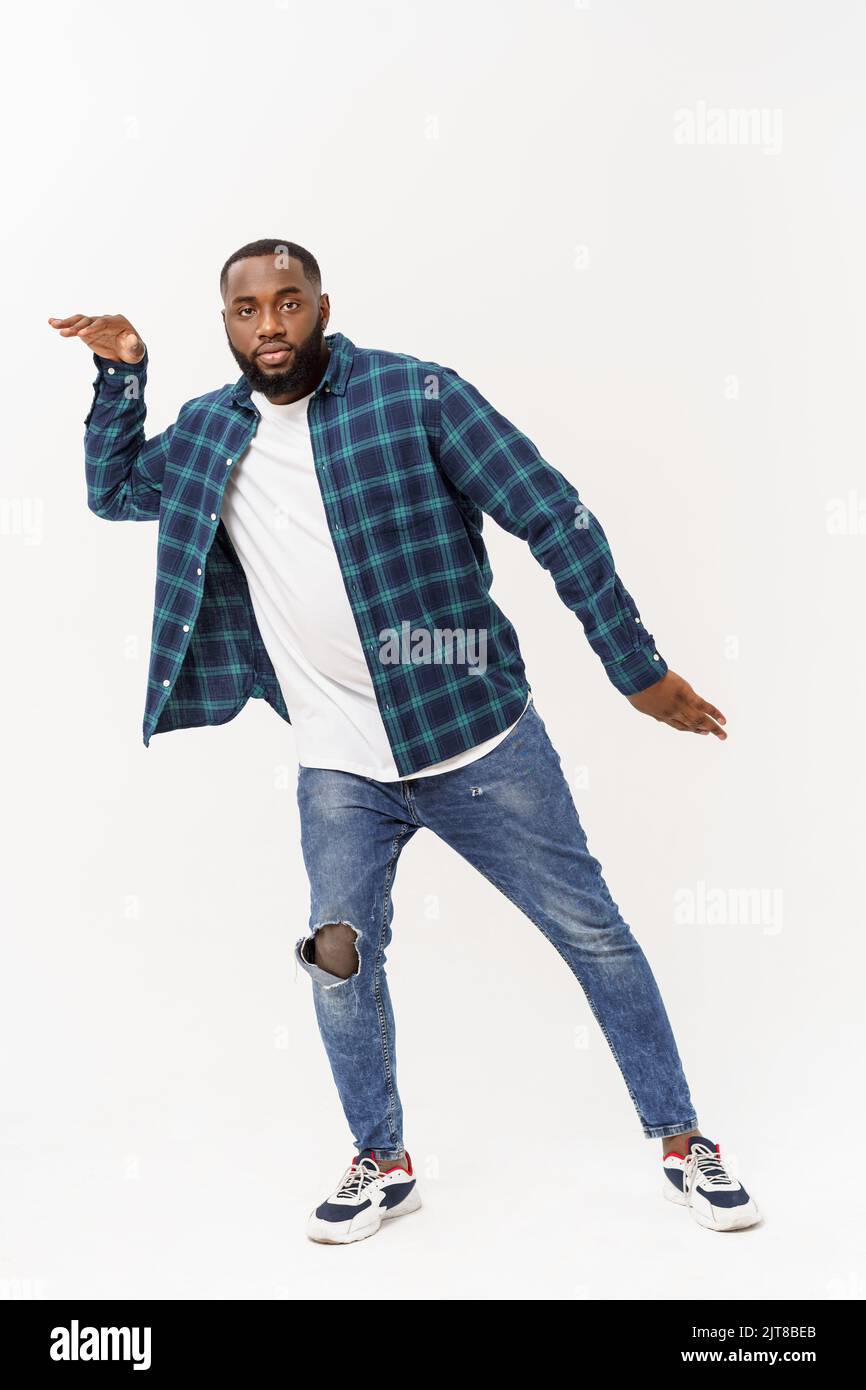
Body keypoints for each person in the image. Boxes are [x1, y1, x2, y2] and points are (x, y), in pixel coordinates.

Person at [49, 238, 761, 1245]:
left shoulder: (419, 398)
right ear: (226, 325)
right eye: (246, 310)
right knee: (337, 956)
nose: (269, 326)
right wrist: (121, 373)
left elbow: (551, 515)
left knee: (591, 933)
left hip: (476, 743)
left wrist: (632, 666)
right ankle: (381, 1162)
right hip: (339, 765)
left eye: (287, 303)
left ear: (322, 306)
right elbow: (116, 491)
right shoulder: (211, 432)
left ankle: (682, 1142)